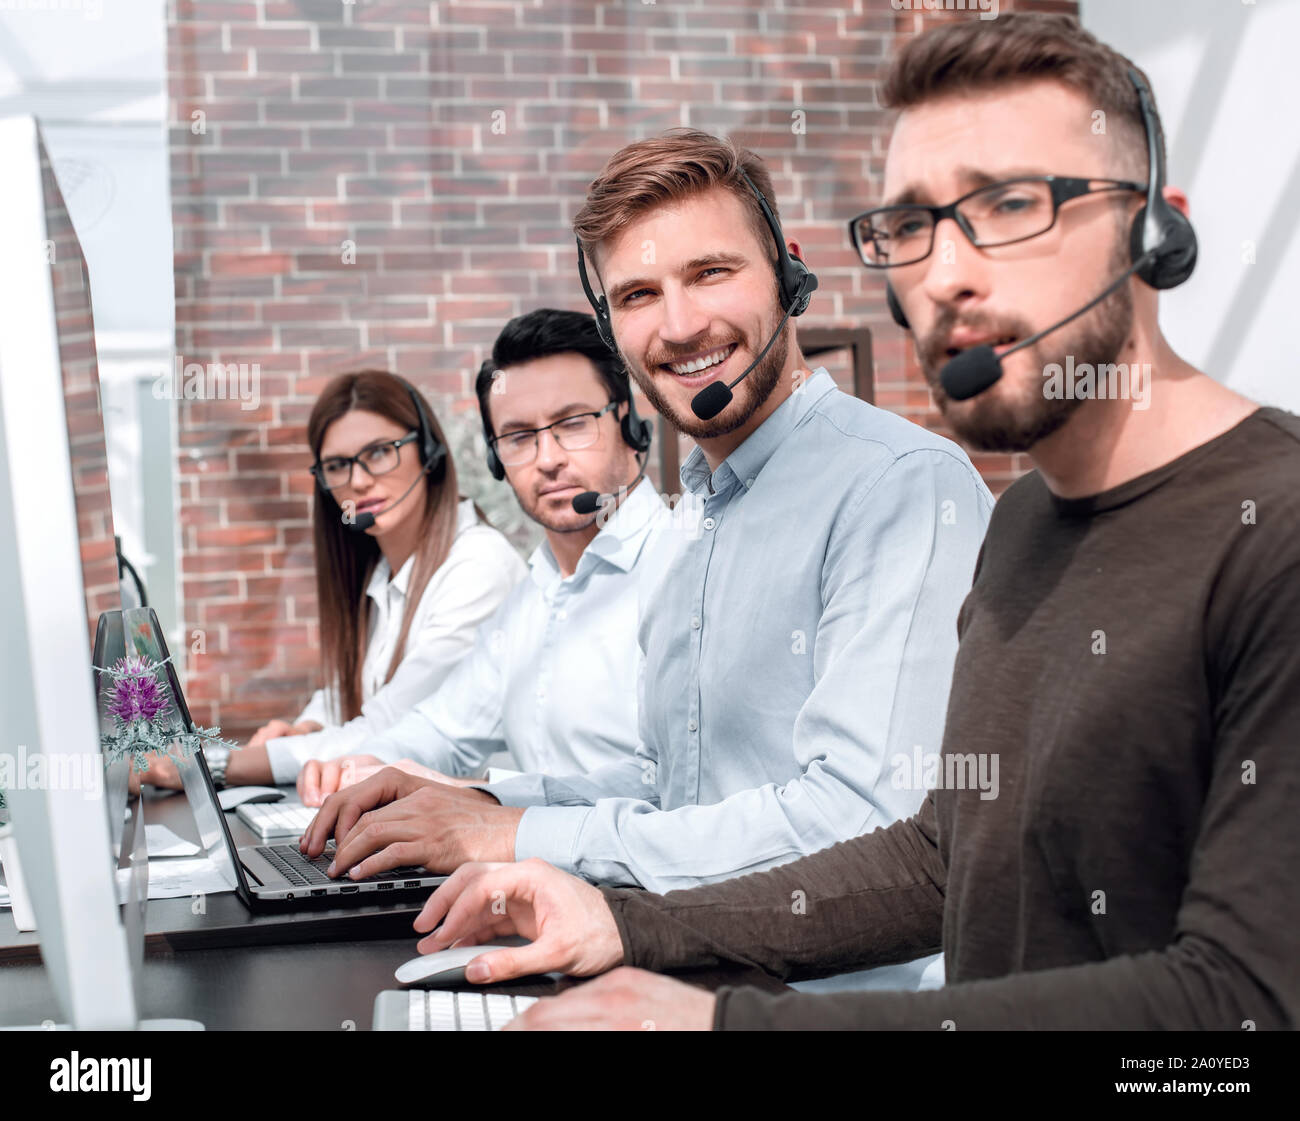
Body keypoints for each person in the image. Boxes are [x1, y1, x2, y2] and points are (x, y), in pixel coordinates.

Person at [393, 13, 1300, 1031]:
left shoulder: (1276, 531)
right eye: (911, 226)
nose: (944, 274)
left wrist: (722, 1024)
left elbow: (1241, 1007)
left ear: (1154, 231)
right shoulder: (1028, 526)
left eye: (1008, 204)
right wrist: (628, 926)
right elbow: (931, 856)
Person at [302, 131, 992, 992]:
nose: (678, 325)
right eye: (637, 294)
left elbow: (858, 823)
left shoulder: (897, 487)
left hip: (824, 1006)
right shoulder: (699, 510)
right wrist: (487, 805)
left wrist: (517, 836)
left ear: (788, 272)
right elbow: (678, 785)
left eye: (711, 273)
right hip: (678, 973)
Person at [288, 309, 681, 806]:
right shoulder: (533, 594)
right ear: (496, 458)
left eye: (574, 424)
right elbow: (445, 727)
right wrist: (367, 765)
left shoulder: (684, 571)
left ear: (630, 424)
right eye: (518, 437)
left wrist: (482, 796)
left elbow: (675, 787)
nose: (548, 458)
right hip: (520, 869)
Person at [136, 370, 525, 790]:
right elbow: (346, 693)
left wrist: (206, 764)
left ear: (428, 452)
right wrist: (306, 728)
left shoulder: (478, 565)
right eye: (338, 465)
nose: (358, 480)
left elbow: (387, 726)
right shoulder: (381, 571)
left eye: (379, 452)